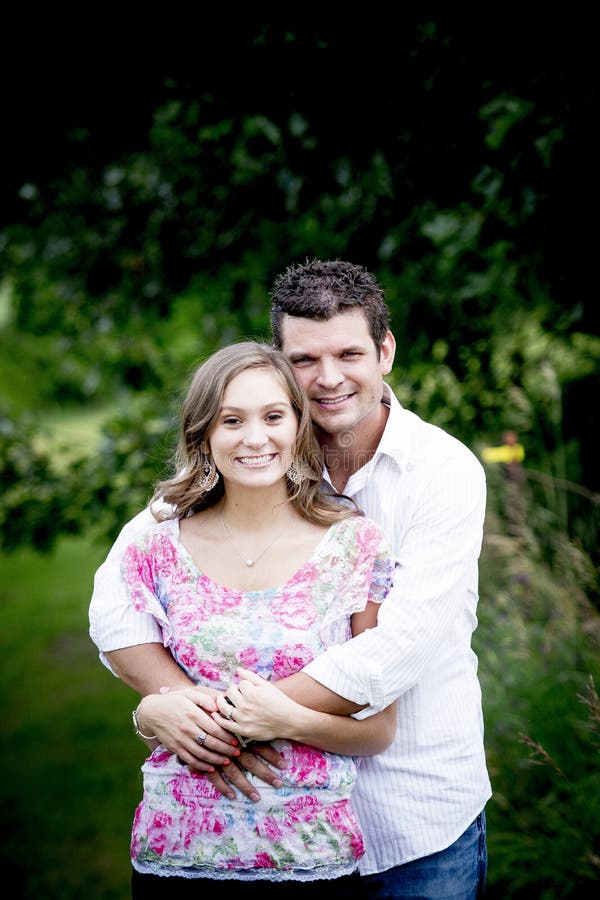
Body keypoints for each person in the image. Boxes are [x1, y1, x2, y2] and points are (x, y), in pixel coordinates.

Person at [90, 259, 491, 898]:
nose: (329, 378)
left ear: (385, 352)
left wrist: (252, 716)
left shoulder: (443, 473)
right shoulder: (247, 459)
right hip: (256, 825)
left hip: (416, 813)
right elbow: (116, 603)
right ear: (280, 363)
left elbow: (397, 648)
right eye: (305, 360)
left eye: (350, 353)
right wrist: (174, 707)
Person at [100, 339, 397, 896]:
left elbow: (378, 730)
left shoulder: (355, 548)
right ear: (204, 435)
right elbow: (134, 662)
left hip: (310, 856)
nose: (255, 438)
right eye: (232, 420)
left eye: (273, 416)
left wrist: (283, 719)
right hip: (177, 854)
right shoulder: (156, 550)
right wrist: (149, 711)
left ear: (299, 426)